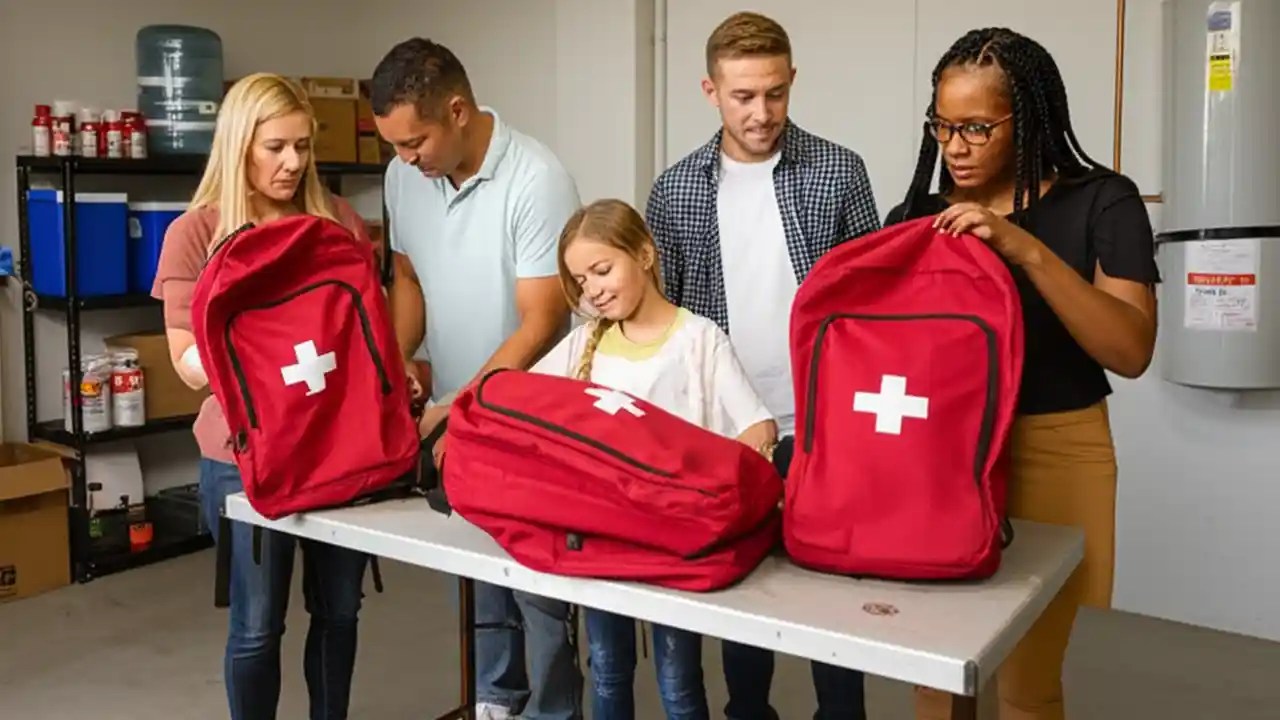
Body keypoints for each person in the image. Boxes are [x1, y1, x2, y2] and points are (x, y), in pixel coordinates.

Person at [885, 27, 1159, 720]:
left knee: (1028, 681)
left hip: (1058, 446)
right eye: (942, 126)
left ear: (1029, 118)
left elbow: (1130, 350)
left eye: (977, 127)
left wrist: (1024, 250)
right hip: (941, 453)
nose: (955, 146)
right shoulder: (919, 215)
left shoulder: (1103, 201)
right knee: (934, 671)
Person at [645, 11, 880, 720]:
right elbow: (667, 321)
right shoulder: (676, 190)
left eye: (775, 93)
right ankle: (748, 711)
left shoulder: (839, 171)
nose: (762, 112)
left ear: (792, 82)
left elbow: (873, 307)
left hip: (824, 424)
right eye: (744, 96)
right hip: (729, 431)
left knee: (832, 592)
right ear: (710, 90)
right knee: (748, 589)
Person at [369, 37, 583, 720]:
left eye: (415, 142)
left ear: (457, 111)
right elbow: (406, 276)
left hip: (528, 409)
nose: (405, 160)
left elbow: (542, 320)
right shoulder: (407, 175)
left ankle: (551, 710)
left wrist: (461, 404)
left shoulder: (535, 177)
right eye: (395, 146)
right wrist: (401, 357)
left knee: (536, 581)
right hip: (457, 403)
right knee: (478, 560)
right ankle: (497, 698)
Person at [152, 72, 377, 720]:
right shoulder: (196, 234)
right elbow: (187, 365)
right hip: (242, 456)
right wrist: (271, 362)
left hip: (338, 454)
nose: (293, 162)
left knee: (339, 610)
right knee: (256, 625)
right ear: (239, 144)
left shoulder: (339, 223)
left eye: (303, 146)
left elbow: (363, 333)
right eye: (276, 146)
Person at [530, 198, 778, 720]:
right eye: (580, 280)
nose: (593, 288)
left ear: (643, 253)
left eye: (602, 270)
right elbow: (529, 402)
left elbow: (758, 425)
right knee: (609, 668)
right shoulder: (582, 346)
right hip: (603, 540)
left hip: (673, 545)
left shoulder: (699, 340)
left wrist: (728, 489)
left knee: (677, 679)